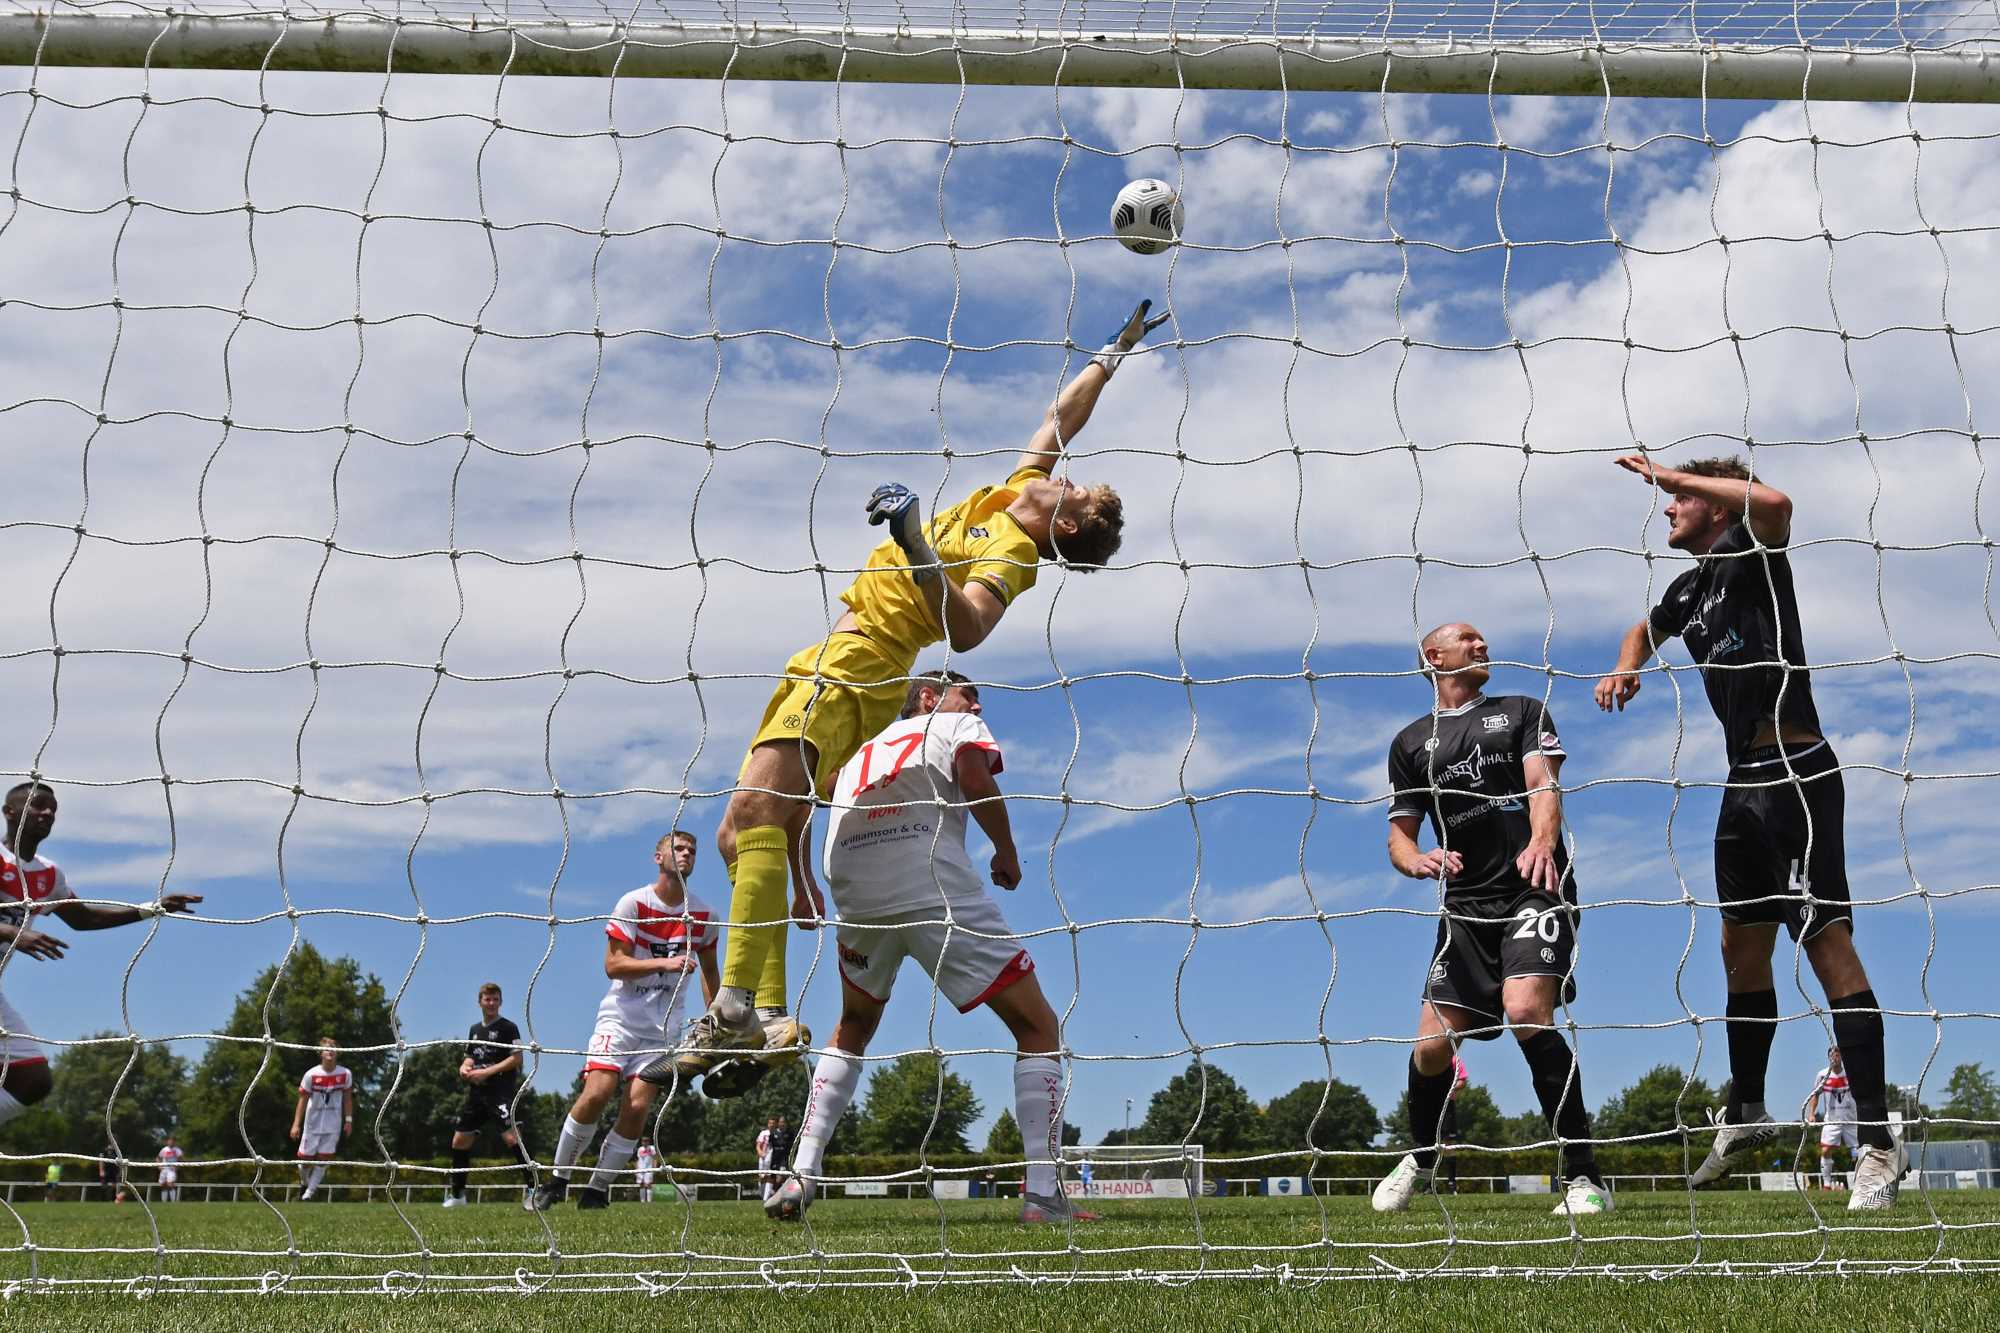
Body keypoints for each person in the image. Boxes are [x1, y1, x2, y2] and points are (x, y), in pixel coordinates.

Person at [671, 304, 1153, 1087]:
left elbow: (967, 630)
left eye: (1074, 487)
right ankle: (764, 1013)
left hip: (864, 663)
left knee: (754, 815)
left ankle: (731, 1009)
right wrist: (1115, 350)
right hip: (831, 656)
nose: (1061, 474)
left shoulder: (1014, 553)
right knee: (737, 834)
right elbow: (1059, 418)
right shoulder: (1016, 491)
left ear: (1063, 524)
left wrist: (918, 545)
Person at [1596, 455, 1904, 1210]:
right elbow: (1644, 625)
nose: (1667, 510)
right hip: (1740, 785)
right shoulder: (1688, 588)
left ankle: (1875, 1145)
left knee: (1826, 941)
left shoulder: (1754, 551)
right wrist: (1626, 666)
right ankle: (1746, 1112)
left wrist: (1676, 473)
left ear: (1712, 505)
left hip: (1797, 770)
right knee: (1740, 948)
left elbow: (1776, 498)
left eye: (1678, 500)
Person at [765, 671, 1096, 1226]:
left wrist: (803, 887)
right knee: (1038, 1027)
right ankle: (1043, 1195)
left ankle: (801, 1174)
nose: (977, 701)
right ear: (927, 697)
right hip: (929, 884)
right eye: (969, 691)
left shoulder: (856, 743)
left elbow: (796, 805)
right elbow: (974, 776)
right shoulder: (953, 723)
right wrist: (1007, 851)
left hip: (855, 891)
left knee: (852, 1027)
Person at [1373, 624, 1611, 1219]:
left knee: (1527, 1009)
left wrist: (1540, 842)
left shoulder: (1521, 711)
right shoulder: (1410, 743)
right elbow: (1399, 837)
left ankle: (1584, 1177)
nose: (1483, 646)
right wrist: (1419, 861)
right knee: (1432, 1046)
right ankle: (1421, 1158)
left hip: (1535, 887)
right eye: (1468, 639)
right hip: (1464, 907)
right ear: (1435, 657)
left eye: (1483, 639)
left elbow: (1543, 783)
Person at [533, 833, 719, 1212]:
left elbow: (709, 973)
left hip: (663, 1027)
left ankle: (597, 1191)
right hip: (620, 1018)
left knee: (636, 1108)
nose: (686, 855)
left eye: (692, 851)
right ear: (658, 856)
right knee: (598, 1092)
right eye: (678, 849)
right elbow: (613, 965)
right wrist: (664, 963)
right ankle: (557, 1179)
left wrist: (715, 1016)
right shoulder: (633, 903)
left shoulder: (705, 916)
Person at [0, 783, 200, 1129]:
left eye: (52, 809)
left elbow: (83, 919)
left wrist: (150, 909)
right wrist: (14, 934)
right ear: (10, 812)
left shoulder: (49, 875)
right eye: (37, 806)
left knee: (34, 1079)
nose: (47, 813)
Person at [443, 981, 535, 1210]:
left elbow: (517, 1059)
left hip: (500, 1092)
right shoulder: (475, 1030)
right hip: (476, 1095)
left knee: (513, 1138)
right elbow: (470, 1057)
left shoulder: (508, 1028)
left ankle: (534, 1190)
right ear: (480, 1002)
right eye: (487, 999)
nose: (491, 1003)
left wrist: (486, 1072)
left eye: (495, 999)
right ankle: (458, 1196)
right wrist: (464, 1067)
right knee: (460, 1141)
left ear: (500, 1002)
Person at [291, 1037, 353, 1201]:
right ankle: (304, 1183)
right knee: (305, 1161)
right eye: (327, 1048)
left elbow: (347, 1098)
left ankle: (308, 1195)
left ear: (338, 1052)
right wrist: (296, 1124)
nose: (330, 1050)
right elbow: (302, 1100)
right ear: (320, 1053)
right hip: (312, 1124)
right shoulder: (311, 1075)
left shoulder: (345, 1074)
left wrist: (348, 1120)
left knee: (324, 1159)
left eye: (333, 1047)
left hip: (333, 1124)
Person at [1809, 1046, 1858, 1190]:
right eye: (1832, 1056)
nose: (1834, 1058)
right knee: (1825, 1150)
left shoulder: (1851, 1072)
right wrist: (1812, 1114)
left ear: (1841, 1057)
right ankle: (1827, 1184)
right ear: (1828, 1057)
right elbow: (1815, 1095)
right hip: (1832, 1121)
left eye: (1837, 1055)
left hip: (1852, 1120)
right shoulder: (1822, 1075)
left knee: (1859, 1152)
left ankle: (1859, 1184)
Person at [755, 1117, 777, 1201]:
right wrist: (760, 1151)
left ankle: (766, 1197)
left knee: (770, 1176)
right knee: (761, 1176)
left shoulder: (776, 1134)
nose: (771, 1125)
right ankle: (763, 1194)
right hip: (763, 1157)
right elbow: (758, 1144)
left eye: (773, 1123)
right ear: (768, 1124)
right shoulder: (763, 1133)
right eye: (770, 1123)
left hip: (772, 1159)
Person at [157, 1135, 183, 1203]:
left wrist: (177, 1167)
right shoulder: (164, 1149)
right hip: (164, 1169)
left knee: (170, 1184)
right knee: (163, 1185)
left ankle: (173, 1202)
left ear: (174, 1142)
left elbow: (181, 1159)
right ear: (167, 1142)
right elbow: (158, 1158)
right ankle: (164, 1202)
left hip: (171, 1169)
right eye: (169, 1141)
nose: (171, 1142)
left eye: (172, 1141)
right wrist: (159, 1166)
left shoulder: (177, 1150)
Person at [634, 1137, 658, 1203]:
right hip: (640, 1168)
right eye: (643, 1141)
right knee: (641, 1184)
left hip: (649, 1168)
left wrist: (655, 1167)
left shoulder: (652, 1148)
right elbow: (637, 1159)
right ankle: (642, 1201)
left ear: (648, 1142)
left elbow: (655, 1158)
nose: (644, 1142)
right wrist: (636, 1169)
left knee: (649, 1184)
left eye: (646, 1141)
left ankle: (649, 1201)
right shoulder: (640, 1149)